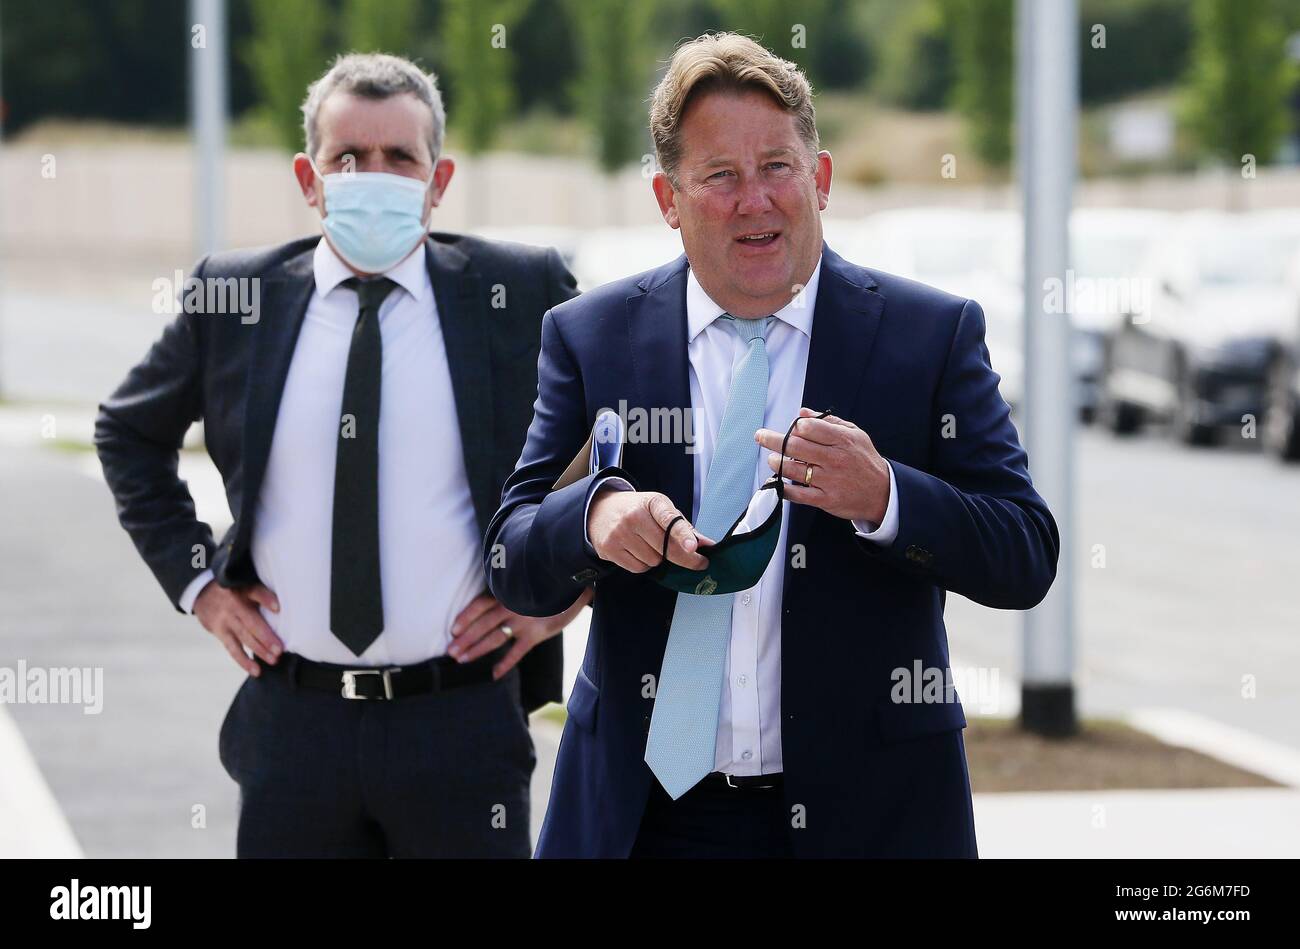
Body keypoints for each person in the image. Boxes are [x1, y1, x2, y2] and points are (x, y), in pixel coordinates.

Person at [484, 33, 1059, 858]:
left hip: (871, 819)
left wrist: (886, 496)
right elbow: (512, 558)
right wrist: (596, 515)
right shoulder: (591, 337)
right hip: (645, 818)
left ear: (819, 179)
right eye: (720, 175)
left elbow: (1026, 552)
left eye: (778, 167)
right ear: (668, 198)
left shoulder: (930, 335)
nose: (755, 199)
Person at [95, 53, 585, 858]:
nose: (373, 175)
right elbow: (127, 430)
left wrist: (561, 593)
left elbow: (616, 444)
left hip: (462, 719)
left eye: (401, 157)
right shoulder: (237, 297)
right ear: (307, 175)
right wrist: (200, 585)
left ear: (440, 178)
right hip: (295, 729)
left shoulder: (518, 290)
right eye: (348, 158)